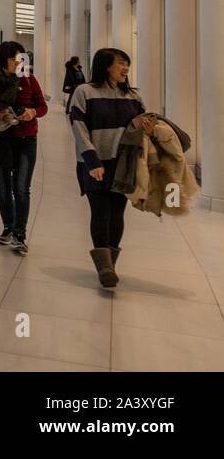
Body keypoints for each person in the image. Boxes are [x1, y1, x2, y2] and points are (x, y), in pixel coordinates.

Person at [68, 48, 149, 289]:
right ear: (105, 66)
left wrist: (148, 126)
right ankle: (104, 267)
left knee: (117, 213)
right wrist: (92, 161)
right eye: (121, 64)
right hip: (95, 163)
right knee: (100, 212)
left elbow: (142, 125)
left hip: (123, 164)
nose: (125, 68)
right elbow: (78, 126)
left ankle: (110, 264)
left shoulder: (133, 96)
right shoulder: (84, 92)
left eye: (127, 64)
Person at [0, 41, 46, 255]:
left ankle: (20, 234)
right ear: (5, 58)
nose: (20, 60)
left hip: (26, 139)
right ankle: (8, 227)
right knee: (3, 187)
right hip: (0, 140)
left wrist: (31, 113)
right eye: (16, 56)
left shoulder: (28, 79)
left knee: (22, 188)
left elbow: (42, 106)